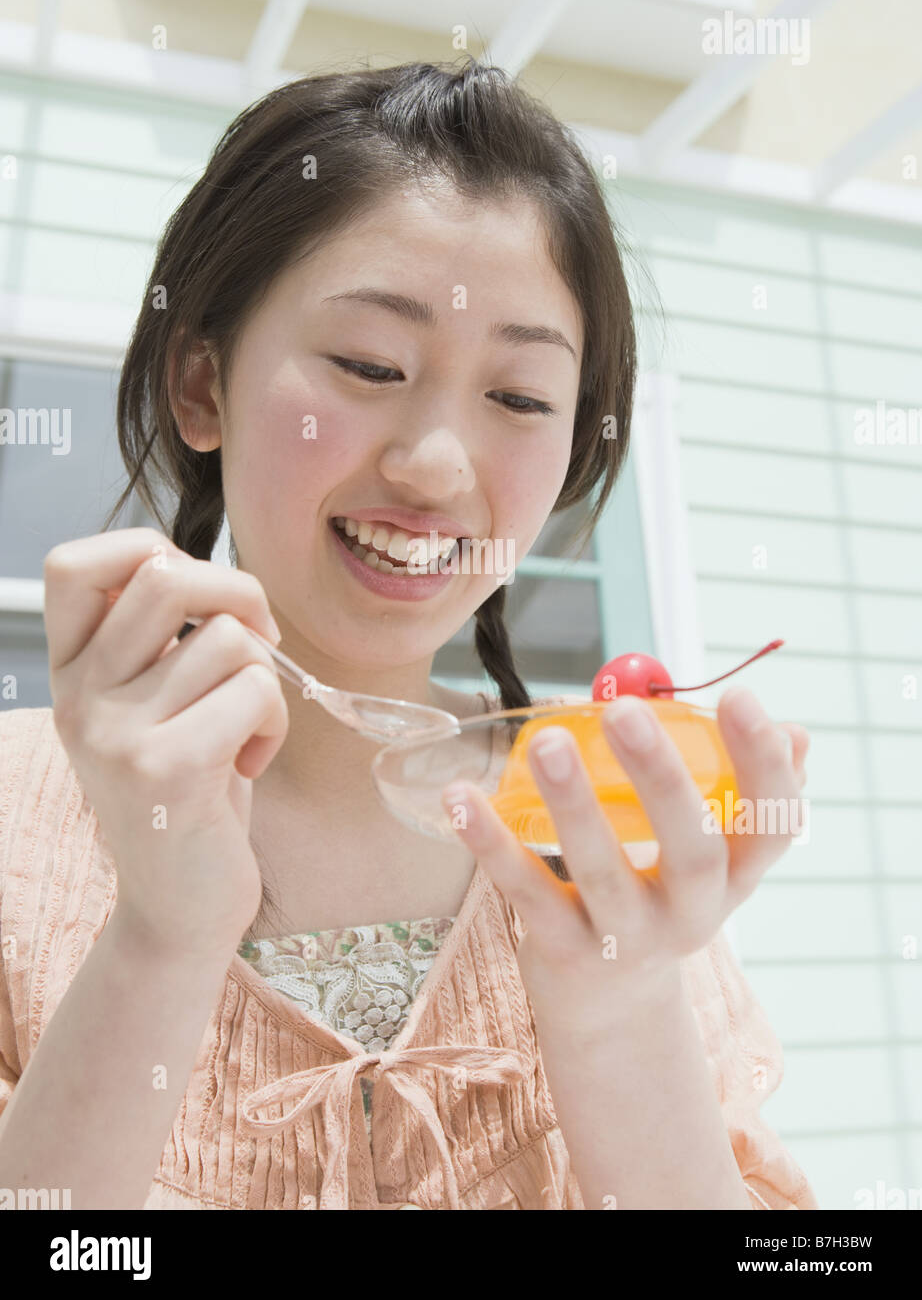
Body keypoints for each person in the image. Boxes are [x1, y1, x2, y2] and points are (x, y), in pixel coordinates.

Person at [0, 59, 817, 1211]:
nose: (435, 468)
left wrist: (620, 1011)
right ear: (201, 384)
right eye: (368, 365)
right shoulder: (14, 819)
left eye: (521, 399)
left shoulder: (596, 825)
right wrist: (162, 937)